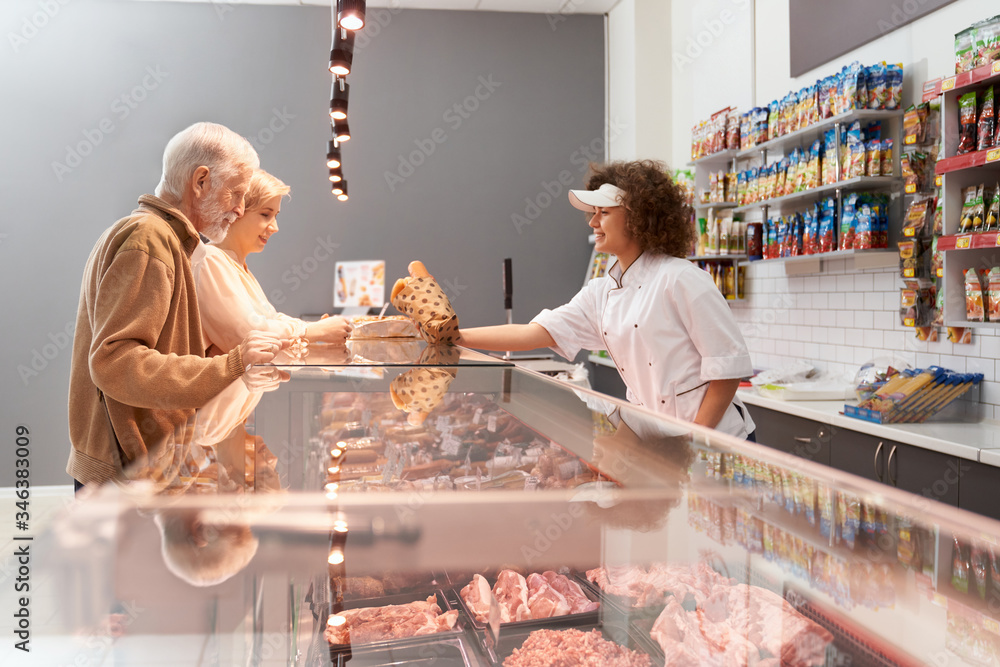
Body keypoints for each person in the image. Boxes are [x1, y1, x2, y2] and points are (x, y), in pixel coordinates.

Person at [458, 160, 755, 439]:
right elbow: (535, 332)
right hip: (663, 438)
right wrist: (456, 337)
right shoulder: (600, 292)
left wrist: (693, 440)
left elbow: (726, 372)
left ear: (640, 218)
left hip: (716, 439)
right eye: (593, 213)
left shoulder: (681, 278)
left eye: (605, 213)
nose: (593, 222)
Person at [68, 122, 285, 489]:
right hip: (128, 477)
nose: (238, 209)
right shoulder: (150, 238)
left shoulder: (155, 235)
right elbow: (116, 361)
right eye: (235, 194)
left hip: (135, 471)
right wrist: (230, 363)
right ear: (200, 182)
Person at [192, 169, 352, 355]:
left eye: (275, 216)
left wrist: (314, 328)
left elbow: (271, 319)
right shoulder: (211, 260)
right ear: (236, 210)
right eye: (265, 215)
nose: (275, 227)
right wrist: (313, 331)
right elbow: (247, 337)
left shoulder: (236, 266)